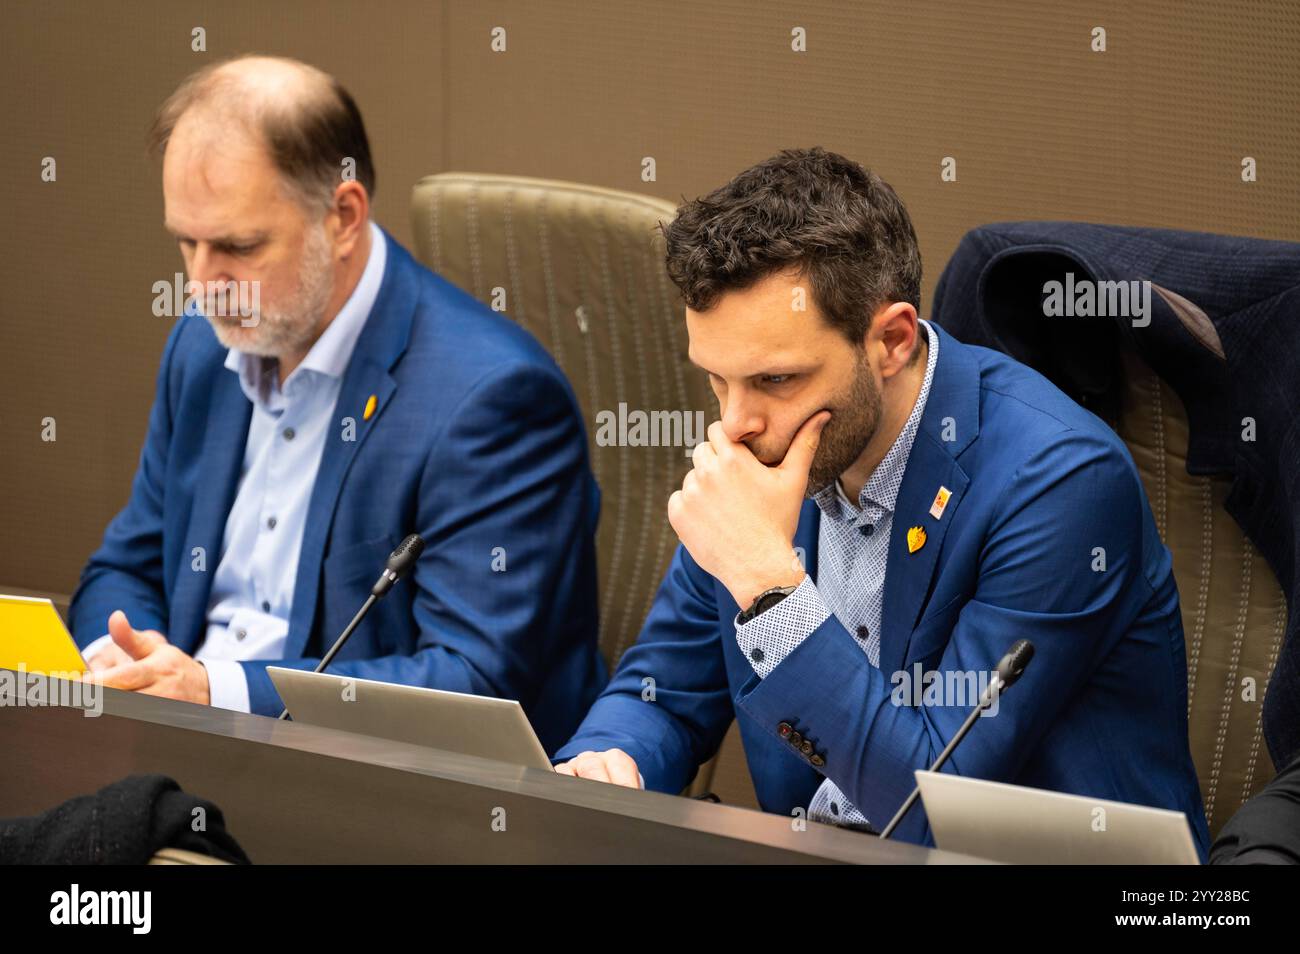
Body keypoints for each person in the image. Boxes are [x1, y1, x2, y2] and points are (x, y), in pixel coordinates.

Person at [553, 147, 1211, 858]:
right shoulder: (767, 456)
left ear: (891, 341)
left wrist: (772, 591)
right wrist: (610, 761)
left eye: (775, 379)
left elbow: (933, 805)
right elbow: (663, 695)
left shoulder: (1059, 483)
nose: (736, 424)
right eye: (717, 379)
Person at [69, 56, 604, 752]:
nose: (203, 287)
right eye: (186, 243)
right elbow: (125, 567)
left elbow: (473, 681)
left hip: (368, 788)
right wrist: (124, 662)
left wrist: (216, 692)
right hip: (178, 747)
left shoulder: (493, 397)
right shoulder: (201, 350)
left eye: (237, 246)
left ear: (343, 216)